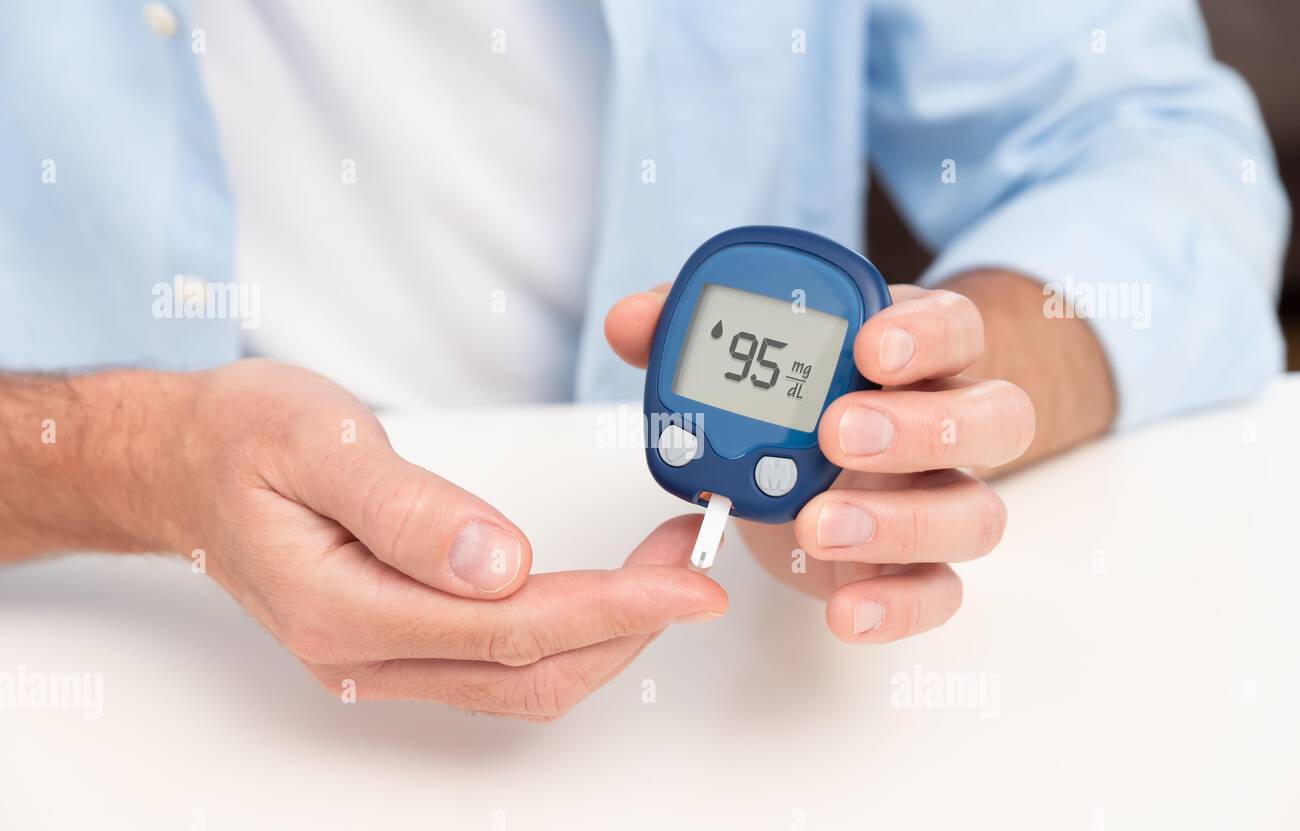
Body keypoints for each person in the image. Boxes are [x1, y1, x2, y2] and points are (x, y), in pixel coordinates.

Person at [0, 1, 1287, 719]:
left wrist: (938, 394)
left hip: (729, 698)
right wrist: (127, 465)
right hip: (100, 667)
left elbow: (1155, 147)